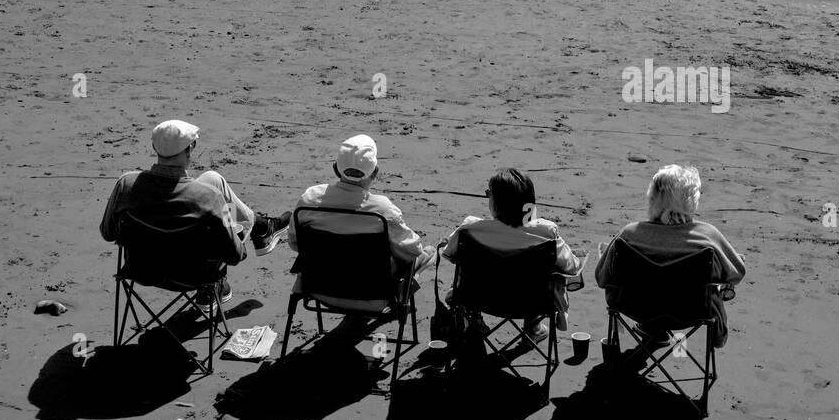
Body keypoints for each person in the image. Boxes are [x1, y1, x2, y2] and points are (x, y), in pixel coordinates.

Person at [100, 120, 291, 303]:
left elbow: (108, 233)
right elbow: (234, 255)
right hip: (195, 276)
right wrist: (234, 231)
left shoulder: (126, 184)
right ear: (189, 150)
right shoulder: (208, 197)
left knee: (212, 178)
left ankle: (261, 227)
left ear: (154, 148)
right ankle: (258, 229)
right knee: (224, 205)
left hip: (141, 270)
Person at [595, 163, 745, 347]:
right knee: (710, 285)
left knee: (648, 282)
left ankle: (652, 328)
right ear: (691, 201)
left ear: (652, 197)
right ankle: (716, 335)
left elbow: (601, 278)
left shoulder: (628, 235)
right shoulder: (707, 236)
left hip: (635, 307)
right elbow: (737, 273)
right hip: (690, 312)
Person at [441, 168, 585, 335]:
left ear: (497, 202)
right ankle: (533, 328)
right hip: (531, 302)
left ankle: (474, 321)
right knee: (544, 274)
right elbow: (572, 267)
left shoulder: (470, 230)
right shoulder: (546, 233)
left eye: (489, 193)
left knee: (468, 269)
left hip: (481, 299)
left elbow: (449, 254)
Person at [288, 133, 434, 273]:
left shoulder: (310, 199)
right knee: (427, 254)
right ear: (375, 172)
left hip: (317, 283)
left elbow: (295, 242)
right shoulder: (383, 210)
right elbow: (412, 251)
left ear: (336, 169)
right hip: (371, 293)